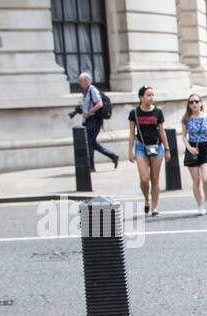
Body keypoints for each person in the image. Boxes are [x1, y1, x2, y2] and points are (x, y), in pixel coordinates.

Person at [127, 86, 168, 215]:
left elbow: (162, 131)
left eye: (152, 95)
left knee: (155, 178)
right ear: (141, 97)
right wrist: (130, 151)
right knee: (144, 178)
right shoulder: (134, 113)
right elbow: (132, 134)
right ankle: (146, 199)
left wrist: (167, 148)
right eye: (148, 95)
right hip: (141, 146)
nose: (151, 98)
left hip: (156, 146)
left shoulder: (158, 112)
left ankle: (154, 207)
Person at [69, 72, 117, 171]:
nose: (79, 83)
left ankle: (91, 166)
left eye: (81, 81)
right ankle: (112, 156)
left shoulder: (92, 90)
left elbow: (99, 104)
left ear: (87, 81)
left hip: (94, 120)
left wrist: (89, 112)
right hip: (88, 120)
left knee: (90, 142)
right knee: (91, 142)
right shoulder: (86, 92)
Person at [181, 94, 207, 214]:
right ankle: (200, 205)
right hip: (192, 147)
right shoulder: (186, 118)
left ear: (200, 103)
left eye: (196, 101)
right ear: (189, 105)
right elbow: (184, 135)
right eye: (191, 102)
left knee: (206, 179)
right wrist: (189, 148)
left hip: (205, 147)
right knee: (196, 180)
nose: (194, 104)